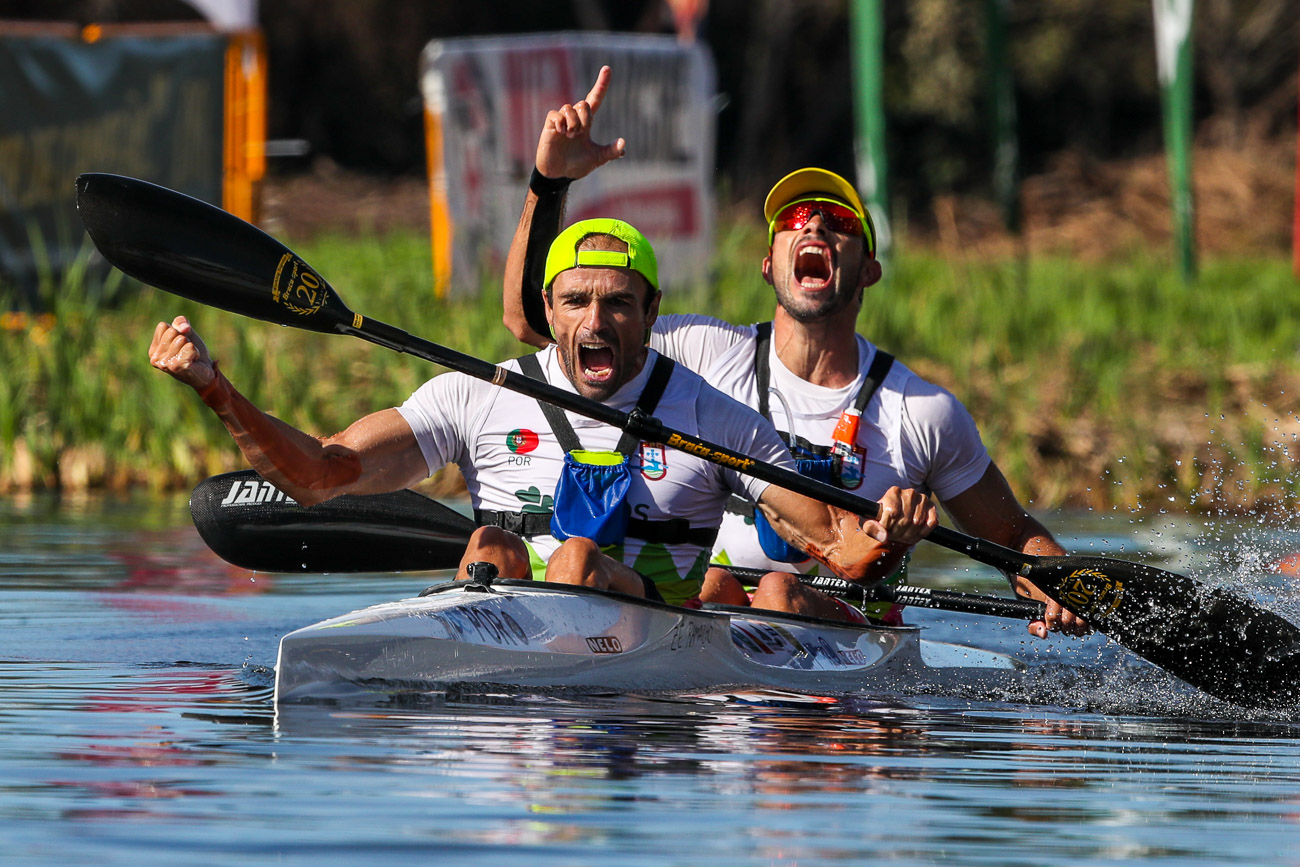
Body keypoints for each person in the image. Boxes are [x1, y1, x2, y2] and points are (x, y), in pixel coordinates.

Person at [501, 66, 1088, 637]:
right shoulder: (700, 352)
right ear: (768, 263)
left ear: (869, 270)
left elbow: (1013, 539)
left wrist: (1058, 587)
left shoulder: (924, 411)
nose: (813, 229)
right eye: (794, 219)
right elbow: (538, 323)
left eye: (837, 221)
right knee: (721, 593)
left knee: (775, 593)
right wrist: (550, 182)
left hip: (851, 638)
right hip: (716, 625)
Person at [149, 217, 937, 608]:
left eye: (620, 305)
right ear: (549, 310)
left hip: (656, 678)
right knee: (490, 539)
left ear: (653, 310)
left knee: (574, 562)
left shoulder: (714, 416)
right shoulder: (477, 391)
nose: (596, 324)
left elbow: (838, 545)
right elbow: (322, 476)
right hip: (517, 691)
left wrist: (889, 527)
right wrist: (218, 390)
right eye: (576, 302)